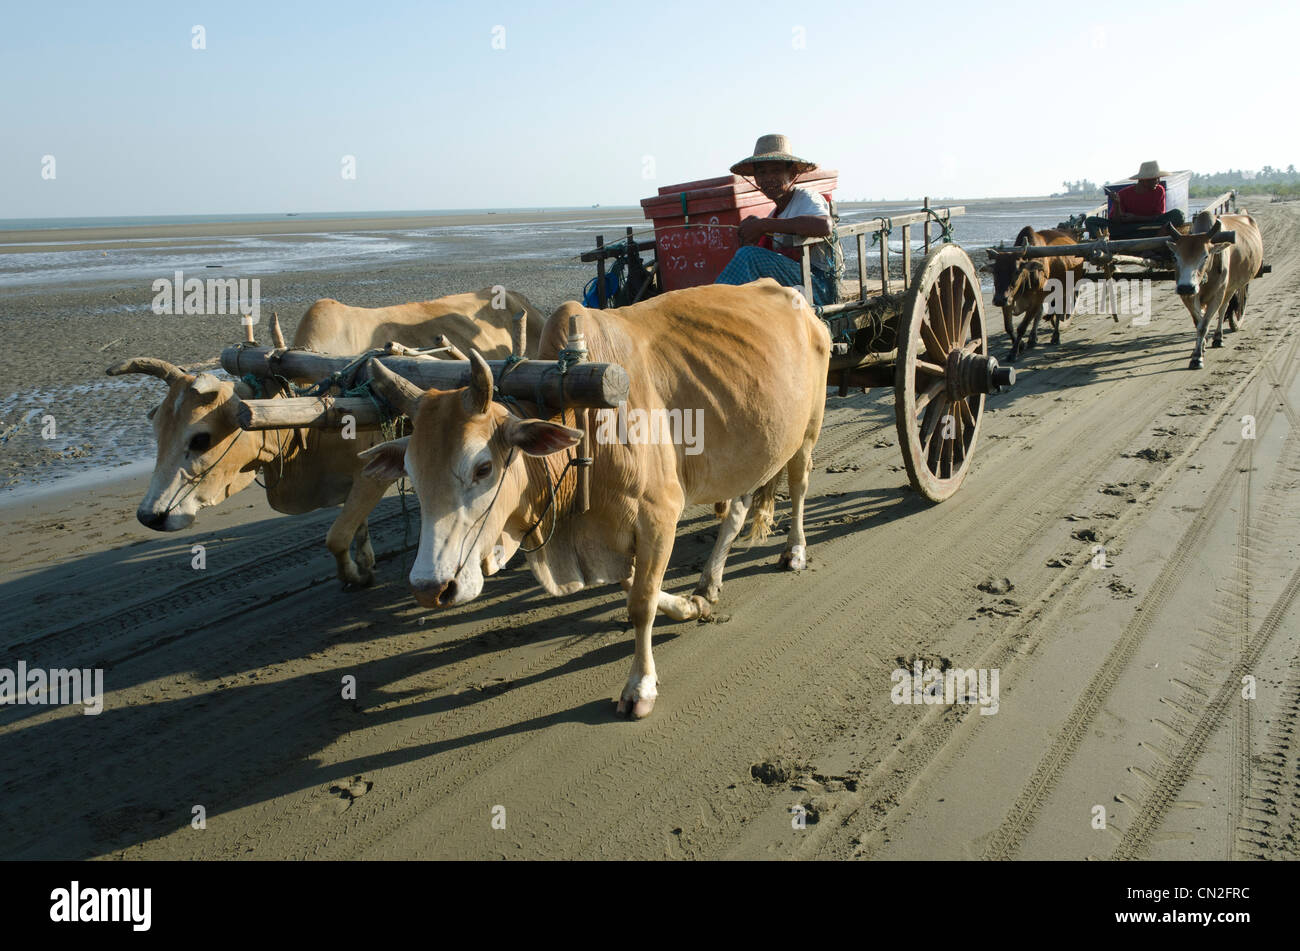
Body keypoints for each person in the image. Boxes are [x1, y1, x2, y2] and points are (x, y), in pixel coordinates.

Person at [714, 134, 843, 305]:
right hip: (795, 284)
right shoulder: (775, 214)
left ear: (792, 173)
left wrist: (763, 225)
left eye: (776, 170)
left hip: (819, 287)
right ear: (756, 179)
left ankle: (716, 302)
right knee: (747, 255)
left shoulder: (806, 199)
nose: (768, 178)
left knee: (750, 257)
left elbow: (824, 225)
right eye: (762, 173)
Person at [1086, 160, 1186, 239]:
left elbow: (1158, 217)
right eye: (1155, 178)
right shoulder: (1123, 194)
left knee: (1178, 215)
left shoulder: (1159, 190)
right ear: (1144, 180)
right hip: (1127, 228)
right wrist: (1116, 204)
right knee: (1090, 221)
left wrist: (1135, 218)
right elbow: (1116, 221)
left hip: (1150, 227)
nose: (1158, 181)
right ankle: (1110, 240)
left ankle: (1155, 239)